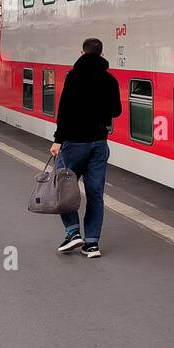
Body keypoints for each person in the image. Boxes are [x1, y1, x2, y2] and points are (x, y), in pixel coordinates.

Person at [51, 38, 122, 259]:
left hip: (74, 142)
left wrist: (57, 139)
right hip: (99, 143)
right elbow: (117, 111)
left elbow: (64, 111)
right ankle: (92, 244)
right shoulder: (110, 80)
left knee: (63, 186)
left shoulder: (74, 76)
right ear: (101, 54)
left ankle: (73, 232)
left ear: (82, 52)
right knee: (95, 194)